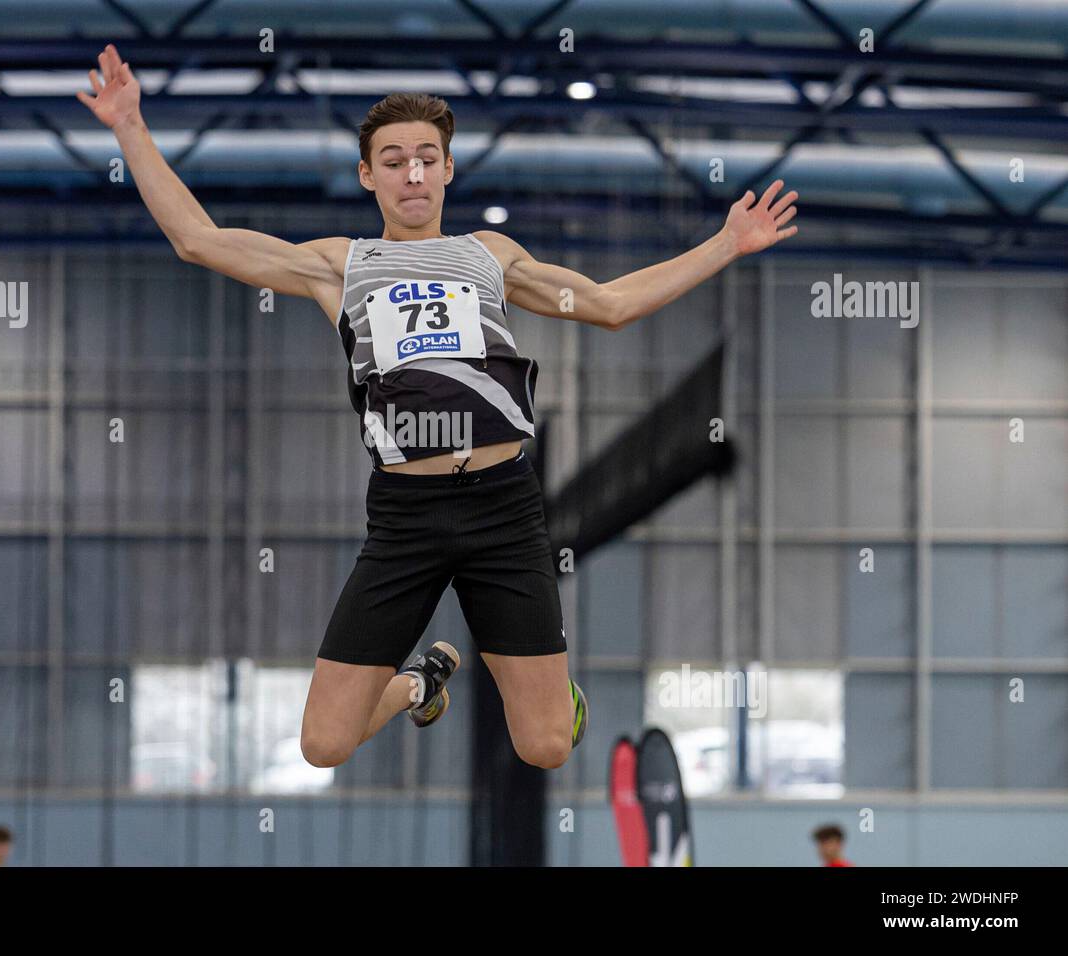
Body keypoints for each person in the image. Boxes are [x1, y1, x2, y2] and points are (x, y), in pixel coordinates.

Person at [77, 45, 797, 771]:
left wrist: (726, 244)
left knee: (545, 747)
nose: (412, 172)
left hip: (503, 507)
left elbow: (610, 306)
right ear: (368, 175)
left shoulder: (490, 256)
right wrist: (130, 125)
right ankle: (421, 680)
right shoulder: (340, 264)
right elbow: (198, 241)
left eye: (427, 156)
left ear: (449, 168)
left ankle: (552, 695)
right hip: (405, 517)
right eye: (393, 160)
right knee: (322, 745)